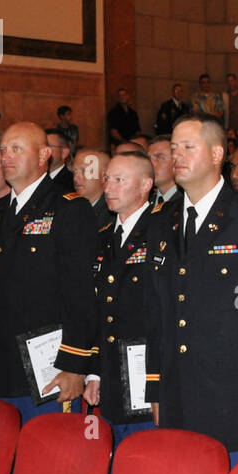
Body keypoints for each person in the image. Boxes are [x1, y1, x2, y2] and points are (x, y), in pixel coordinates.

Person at [149, 117, 238, 461]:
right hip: (175, 391)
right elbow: (157, 313)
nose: (178, 156)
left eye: (188, 147)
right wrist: (155, 387)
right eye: (173, 149)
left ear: (217, 154)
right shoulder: (161, 220)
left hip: (231, 392)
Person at [0, 123, 97, 420]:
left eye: (16, 148)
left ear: (43, 155)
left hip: (47, 369)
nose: (6, 157)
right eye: (3, 150)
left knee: (50, 460)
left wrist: (73, 364)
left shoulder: (69, 209)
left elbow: (80, 293)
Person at [84, 153, 157, 442]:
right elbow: (100, 312)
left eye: (119, 180)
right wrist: (95, 373)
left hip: (147, 372)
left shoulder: (163, 231)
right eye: (107, 180)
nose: (108, 188)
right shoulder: (103, 237)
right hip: (112, 374)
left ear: (145, 185)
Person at [72, 148, 113, 228]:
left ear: (104, 177)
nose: (75, 178)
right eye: (75, 172)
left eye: (85, 171)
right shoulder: (70, 207)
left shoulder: (111, 214)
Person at [146, 137, 180, 207]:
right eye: (148, 159)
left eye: (159, 157)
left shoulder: (186, 201)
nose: (151, 164)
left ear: (176, 162)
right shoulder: (146, 201)